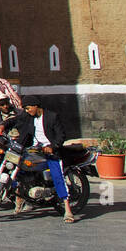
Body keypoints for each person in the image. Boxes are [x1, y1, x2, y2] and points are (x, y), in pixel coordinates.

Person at [12, 96, 78, 224]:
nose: (27, 111)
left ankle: (68, 209)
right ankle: (23, 198)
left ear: (35, 105)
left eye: (28, 108)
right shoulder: (29, 117)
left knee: (57, 176)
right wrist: (2, 126)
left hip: (51, 151)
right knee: (18, 169)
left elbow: (61, 135)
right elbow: (15, 120)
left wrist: (52, 147)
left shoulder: (52, 117)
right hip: (35, 150)